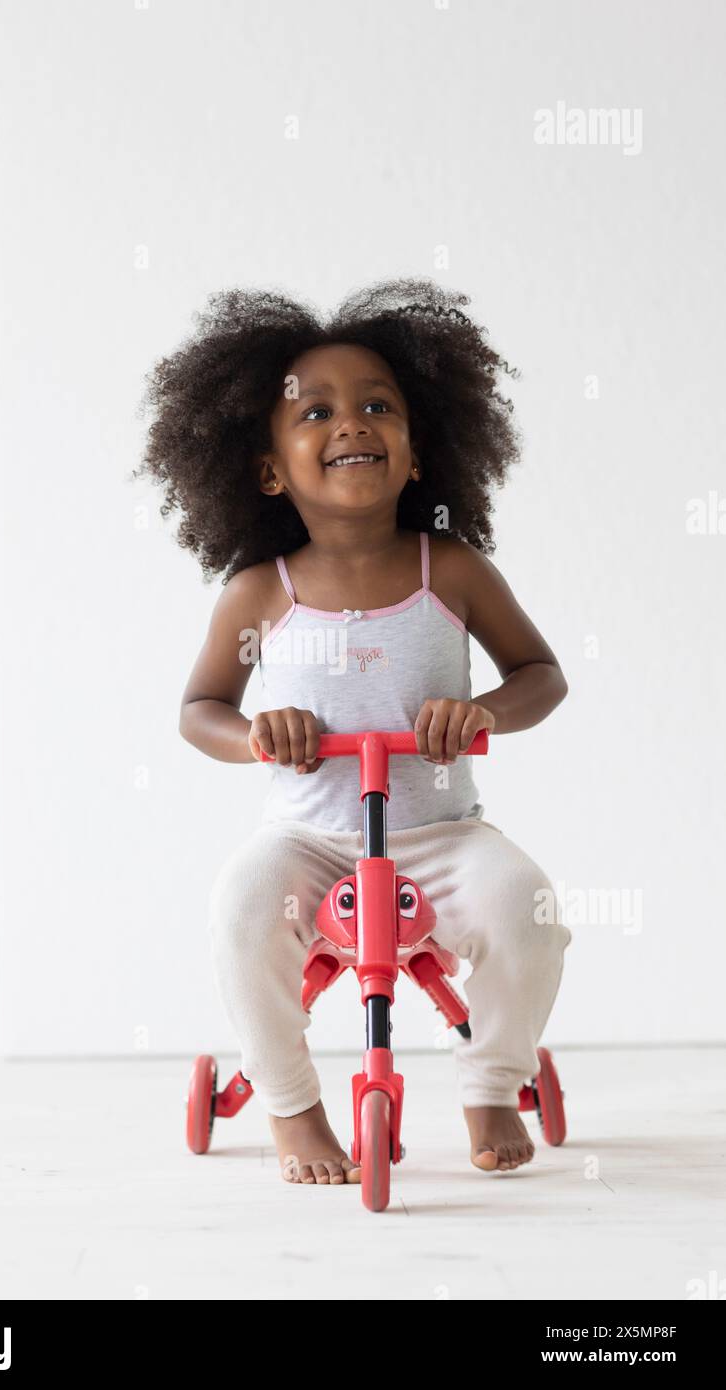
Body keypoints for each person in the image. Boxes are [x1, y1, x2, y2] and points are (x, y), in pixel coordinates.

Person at [138, 279, 572, 1186]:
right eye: (316, 411)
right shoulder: (261, 594)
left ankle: (493, 1080)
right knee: (242, 909)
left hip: (442, 834)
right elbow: (198, 709)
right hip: (310, 841)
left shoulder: (451, 571)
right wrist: (256, 731)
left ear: (420, 455)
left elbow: (541, 675)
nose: (352, 424)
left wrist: (483, 711)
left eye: (379, 406)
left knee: (525, 912)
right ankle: (293, 1109)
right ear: (268, 469)